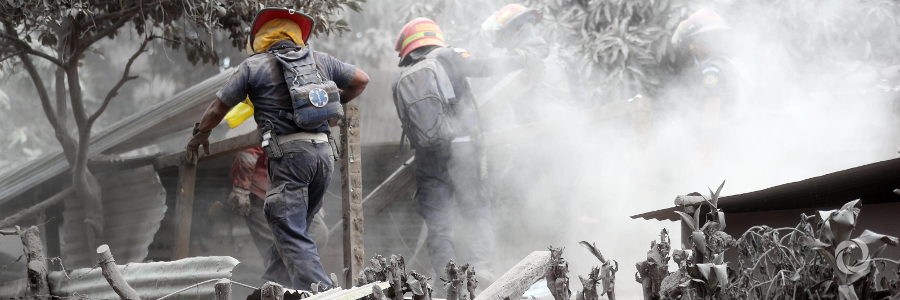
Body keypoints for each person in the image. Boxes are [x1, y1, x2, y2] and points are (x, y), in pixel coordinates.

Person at [186, 7, 369, 290]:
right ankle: (271, 287)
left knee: (290, 231)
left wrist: (199, 136)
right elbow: (361, 80)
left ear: (261, 38)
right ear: (297, 35)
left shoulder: (253, 66)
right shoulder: (321, 60)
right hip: (324, 156)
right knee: (293, 229)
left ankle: (322, 294)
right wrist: (333, 107)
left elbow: (216, 110)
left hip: (291, 158)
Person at [391, 17, 528, 285]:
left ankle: (447, 282)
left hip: (427, 158)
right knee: (477, 211)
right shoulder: (447, 54)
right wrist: (522, 58)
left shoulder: (400, 80)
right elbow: (483, 66)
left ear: (406, 47)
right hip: (463, 150)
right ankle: (482, 272)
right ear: (434, 37)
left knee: (439, 226)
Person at [226, 146, 328, 284]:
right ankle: (278, 288)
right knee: (274, 248)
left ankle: (293, 282)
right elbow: (249, 150)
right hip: (260, 192)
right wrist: (241, 187)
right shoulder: (272, 124)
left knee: (319, 232)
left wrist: (312, 195)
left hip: (291, 191)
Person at [481, 4, 588, 125]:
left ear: (513, 32)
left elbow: (486, 102)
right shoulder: (563, 56)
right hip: (569, 133)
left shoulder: (510, 61)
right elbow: (581, 102)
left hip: (530, 139)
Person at [670, 8, 741, 126]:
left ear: (698, 42)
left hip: (724, 143)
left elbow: (711, 118)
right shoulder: (734, 64)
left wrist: (706, 144)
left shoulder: (711, 69)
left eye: (692, 44)